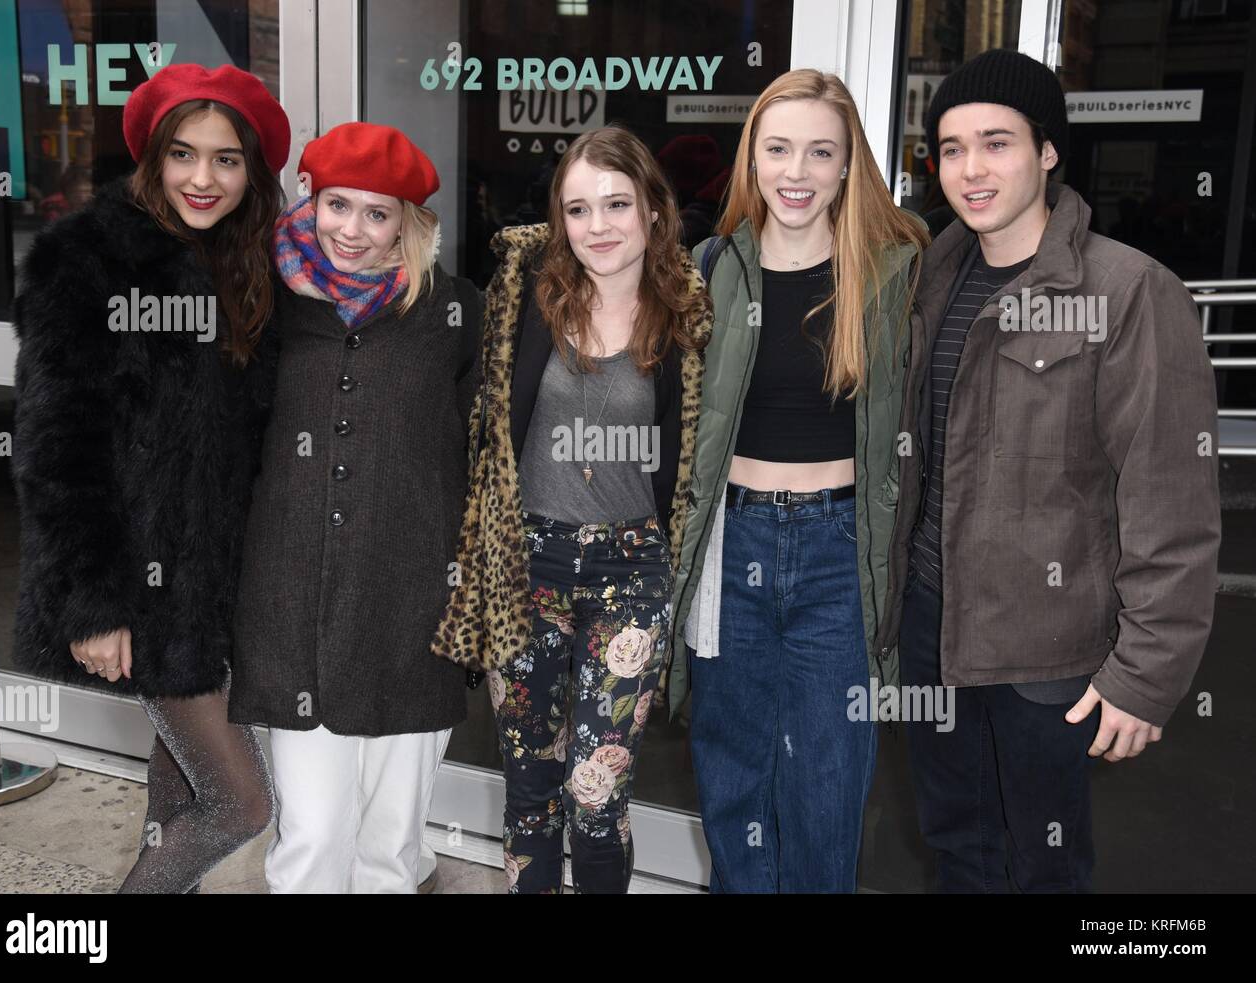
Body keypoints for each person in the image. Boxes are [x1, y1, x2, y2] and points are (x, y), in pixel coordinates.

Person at [888, 49, 1220, 892]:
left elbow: (1173, 503)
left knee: (1045, 867)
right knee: (958, 846)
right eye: (952, 148)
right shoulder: (929, 276)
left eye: (997, 143)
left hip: (1048, 656)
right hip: (934, 631)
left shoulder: (1129, 291)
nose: (970, 168)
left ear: (1047, 152)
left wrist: (1144, 678)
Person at [11, 63, 290, 893]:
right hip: (139, 589)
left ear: (252, 172)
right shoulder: (86, 262)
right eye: (183, 154)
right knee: (241, 805)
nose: (203, 178)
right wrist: (94, 602)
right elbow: (56, 446)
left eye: (227, 160)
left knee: (181, 796)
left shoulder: (245, 267)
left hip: (215, 585)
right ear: (152, 159)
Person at [668, 69, 929, 893]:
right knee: (733, 781)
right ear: (752, 158)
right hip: (729, 543)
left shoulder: (896, 275)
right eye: (778, 149)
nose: (797, 172)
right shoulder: (707, 268)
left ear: (850, 164)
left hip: (838, 552)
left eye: (821, 152)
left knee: (827, 785)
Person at [433, 125, 712, 893]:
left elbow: (690, 459)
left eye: (617, 203)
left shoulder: (688, 316)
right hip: (528, 567)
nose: (599, 227)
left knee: (596, 795)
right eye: (579, 208)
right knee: (529, 794)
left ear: (653, 209)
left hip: (631, 575)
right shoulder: (523, 297)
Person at [227, 122, 481, 893]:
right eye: (339, 205)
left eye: (378, 213)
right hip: (291, 604)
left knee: (392, 845)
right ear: (310, 198)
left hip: (414, 610)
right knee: (310, 835)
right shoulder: (260, 306)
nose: (353, 231)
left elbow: (485, 461)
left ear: (409, 224)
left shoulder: (456, 314)